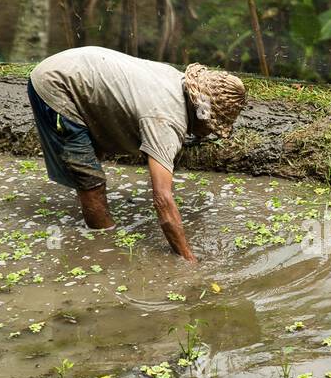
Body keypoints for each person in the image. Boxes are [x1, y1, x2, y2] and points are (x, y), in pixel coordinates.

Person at [26, 46, 246, 263]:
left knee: (91, 156)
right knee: (90, 180)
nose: (209, 134)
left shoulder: (175, 80)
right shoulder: (166, 122)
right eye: (212, 127)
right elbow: (162, 198)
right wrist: (188, 260)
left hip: (78, 67)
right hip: (56, 86)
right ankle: (101, 247)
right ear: (202, 115)